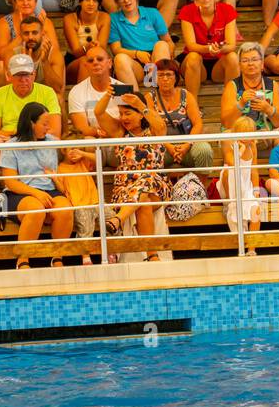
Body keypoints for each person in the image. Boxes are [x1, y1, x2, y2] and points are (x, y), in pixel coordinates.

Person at [94, 89, 173, 260]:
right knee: (142, 203)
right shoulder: (119, 132)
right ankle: (152, 255)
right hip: (126, 187)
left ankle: (118, 220)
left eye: (128, 113)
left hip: (156, 185)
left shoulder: (154, 130)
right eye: (121, 114)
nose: (123, 118)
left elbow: (161, 126)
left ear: (141, 115)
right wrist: (108, 94)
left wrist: (140, 104)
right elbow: (98, 112)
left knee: (146, 180)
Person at [0, 102, 73, 270]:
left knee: (65, 210)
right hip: (20, 192)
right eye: (44, 124)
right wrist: (36, 193)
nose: (48, 128)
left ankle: (57, 256)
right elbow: (10, 182)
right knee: (36, 209)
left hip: (50, 189)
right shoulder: (11, 146)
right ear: (31, 123)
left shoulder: (52, 142)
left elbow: (72, 152)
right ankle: (23, 259)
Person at [0, 54, 62, 166]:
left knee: (54, 141)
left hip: (41, 136)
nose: (23, 80)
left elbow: (55, 130)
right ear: (8, 76)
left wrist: (28, 136)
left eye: (27, 74)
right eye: (18, 75)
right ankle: (6, 182)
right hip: (10, 138)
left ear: (34, 75)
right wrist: (17, 136)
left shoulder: (48, 92)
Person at [0, 0, 64, 94]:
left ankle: (59, 100)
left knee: (58, 66)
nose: (25, 3)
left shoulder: (44, 22)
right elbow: (0, 55)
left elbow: (54, 52)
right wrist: (21, 35)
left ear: (36, 1)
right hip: (8, 66)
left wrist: (41, 34)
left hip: (37, 63)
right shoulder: (5, 22)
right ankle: (4, 105)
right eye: (21, 0)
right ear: (14, 2)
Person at [149, 58, 213, 173]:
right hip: (163, 146)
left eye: (169, 75)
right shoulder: (149, 97)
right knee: (150, 154)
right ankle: (159, 188)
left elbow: (198, 124)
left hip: (187, 144)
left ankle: (201, 188)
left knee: (204, 150)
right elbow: (151, 129)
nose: (165, 79)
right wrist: (170, 147)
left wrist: (186, 145)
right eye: (160, 75)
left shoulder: (186, 95)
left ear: (176, 77)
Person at [179, 0, 240, 96]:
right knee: (193, 57)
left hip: (218, 63)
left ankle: (230, 102)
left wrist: (220, 49)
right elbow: (191, 46)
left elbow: (231, 45)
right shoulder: (187, 11)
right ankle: (192, 106)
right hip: (195, 63)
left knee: (232, 57)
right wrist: (208, 49)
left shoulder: (227, 10)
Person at [108, 0, 172, 86]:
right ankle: (135, 99)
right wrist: (137, 54)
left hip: (155, 58)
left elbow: (168, 40)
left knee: (162, 45)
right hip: (133, 61)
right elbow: (116, 49)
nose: (126, 0)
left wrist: (168, 54)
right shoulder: (113, 19)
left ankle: (157, 91)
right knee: (119, 58)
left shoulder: (153, 13)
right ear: (117, 2)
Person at [220, 41, 279, 132]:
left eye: (254, 59)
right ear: (239, 65)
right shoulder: (232, 86)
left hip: (265, 133)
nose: (250, 63)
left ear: (262, 64)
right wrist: (241, 103)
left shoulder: (273, 85)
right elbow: (227, 124)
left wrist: (268, 109)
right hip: (239, 134)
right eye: (245, 60)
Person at [54, 147, 100, 265]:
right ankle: (86, 257)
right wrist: (55, 179)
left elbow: (99, 159)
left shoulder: (83, 162)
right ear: (63, 151)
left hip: (95, 201)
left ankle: (112, 253)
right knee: (85, 228)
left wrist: (83, 153)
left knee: (112, 221)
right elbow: (63, 189)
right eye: (72, 150)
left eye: (78, 149)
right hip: (79, 204)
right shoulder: (61, 168)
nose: (75, 152)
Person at [218, 117, 262, 241]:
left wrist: (256, 190)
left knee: (256, 211)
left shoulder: (252, 147)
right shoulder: (230, 145)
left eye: (248, 133)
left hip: (246, 184)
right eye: (241, 133)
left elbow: (254, 170)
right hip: (230, 184)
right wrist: (241, 149)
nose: (244, 136)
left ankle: (251, 248)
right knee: (228, 171)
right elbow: (232, 162)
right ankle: (229, 203)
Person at [62, 0, 111, 86]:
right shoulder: (70, 19)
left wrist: (96, 48)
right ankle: (83, 99)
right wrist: (89, 47)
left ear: (99, 3)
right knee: (86, 61)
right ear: (80, 1)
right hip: (74, 63)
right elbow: (76, 52)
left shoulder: (104, 17)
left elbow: (102, 47)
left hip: (97, 59)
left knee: (102, 62)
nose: (91, 4)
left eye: (95, 0)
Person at [68, 45, 122, 139]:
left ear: (110, 63)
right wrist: (98, 132)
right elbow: (82, 128)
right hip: (95, 138)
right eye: (90, 61)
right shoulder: (76, 92)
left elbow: (129, 121)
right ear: (86, 66)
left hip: (119, 136)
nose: (95, 62)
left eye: (100, 59)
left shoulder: (122, 88)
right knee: (88, 140)